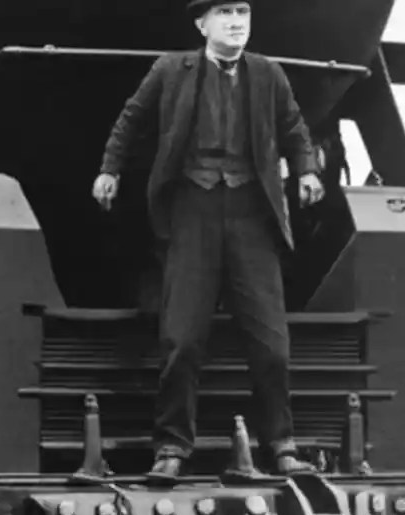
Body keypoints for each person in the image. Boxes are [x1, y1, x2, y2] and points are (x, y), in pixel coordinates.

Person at [93, 0, 325, 481]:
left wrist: (306, 170)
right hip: (192, 212)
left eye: (243, 12)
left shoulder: (269, 74)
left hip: (251, 216)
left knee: (272, 344)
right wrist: (109, 170)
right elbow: (130, 120)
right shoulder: (170, 70)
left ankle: (281, 445)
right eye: (224, 13)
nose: (237, 21)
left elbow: (294, 129)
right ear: (202, 24)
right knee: (182, 338)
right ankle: (172, 448)